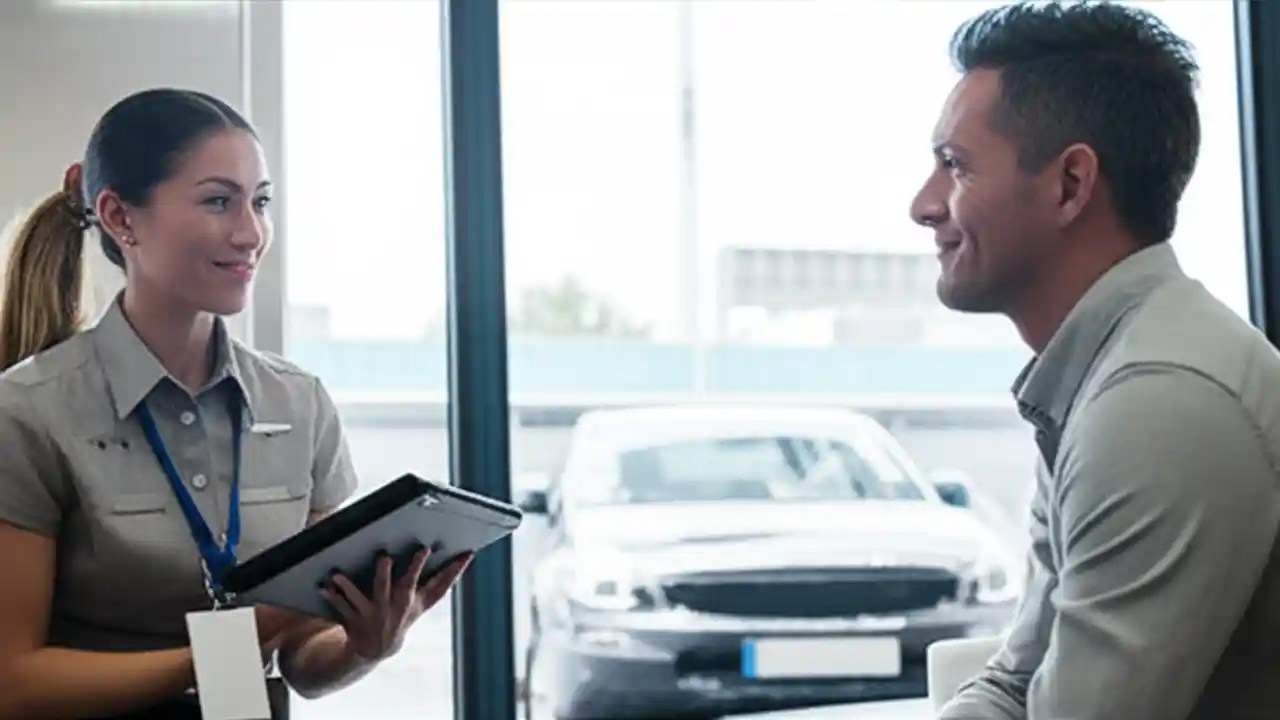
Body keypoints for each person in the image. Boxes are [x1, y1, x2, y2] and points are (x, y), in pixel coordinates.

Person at [0, 88, 472, 719]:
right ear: (120, 218)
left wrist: (366, 644)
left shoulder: (299, 403)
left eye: (261, 201)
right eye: (218, 201)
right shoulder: (27, 411)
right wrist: (233, 643)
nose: (251, 233)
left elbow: (304, 654)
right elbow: (13, 682)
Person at [910, 2, 1280, 718]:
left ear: (1071, 185)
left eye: (954, 166)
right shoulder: (1101, 376)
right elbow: (1017, 682)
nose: (924, 205)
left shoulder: (1160, 403)